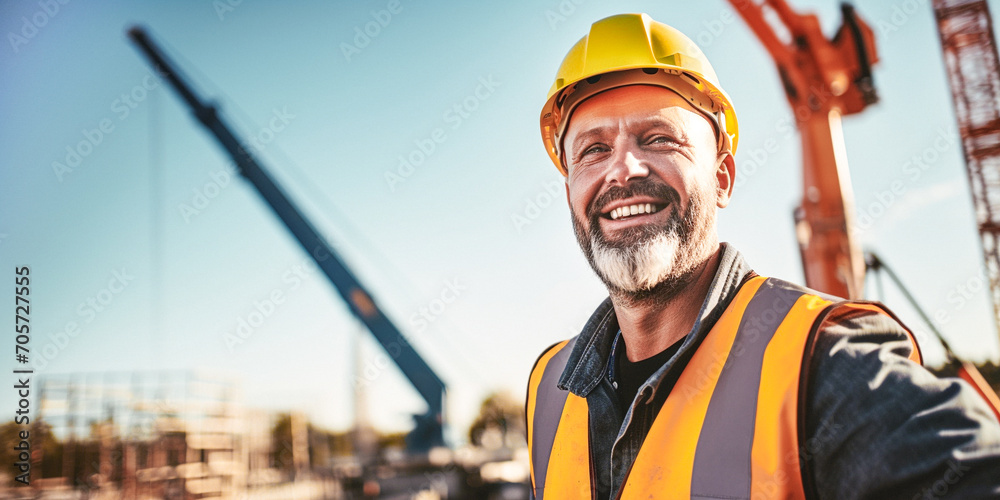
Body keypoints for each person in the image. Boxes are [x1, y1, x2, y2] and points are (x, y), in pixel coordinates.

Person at [525, 13, 1000, 499]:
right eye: (593, 150)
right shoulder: (548, 390)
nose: (623, 169)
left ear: (722, 178)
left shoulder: (819, 363)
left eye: (660, 138)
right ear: (569, 194)